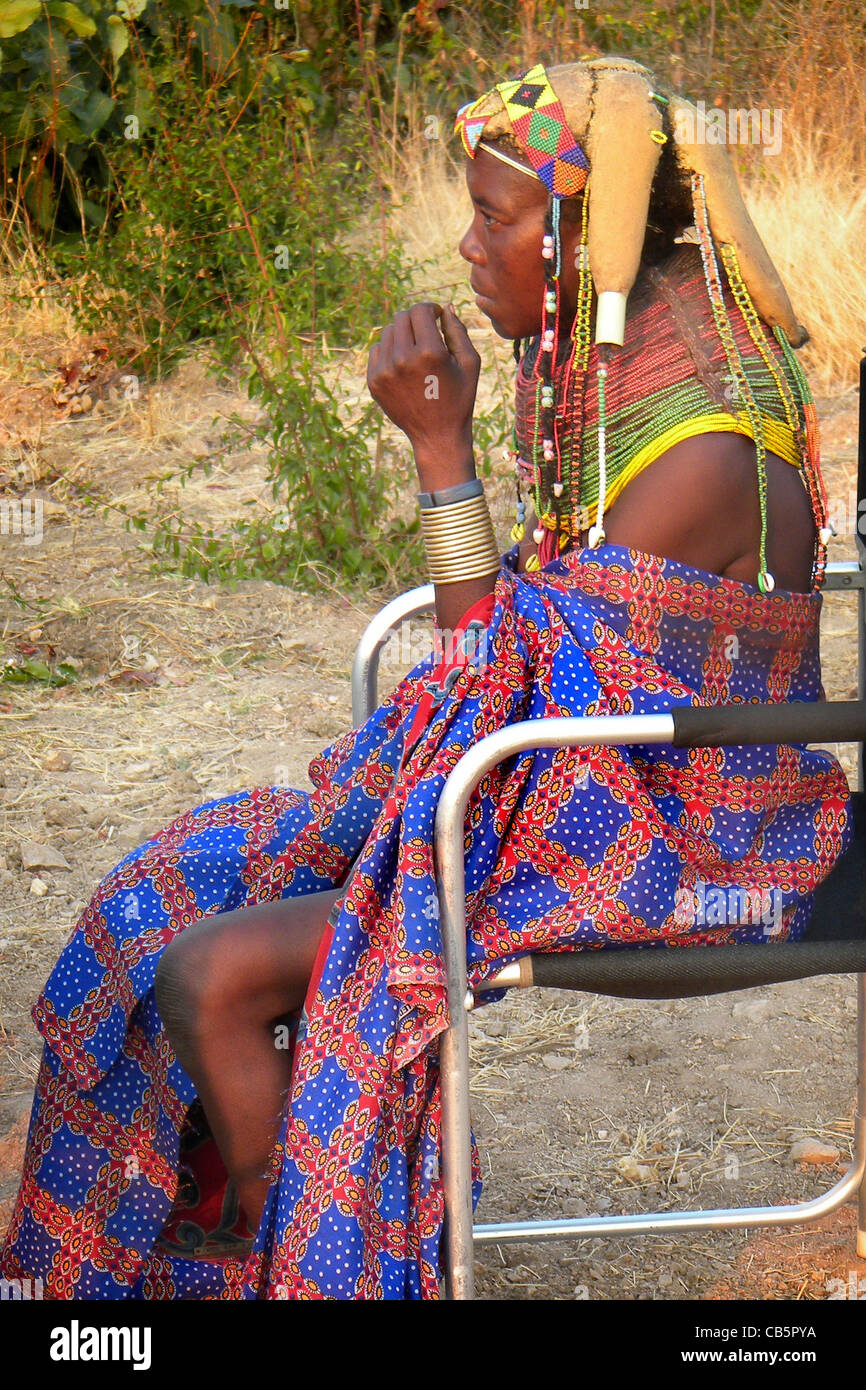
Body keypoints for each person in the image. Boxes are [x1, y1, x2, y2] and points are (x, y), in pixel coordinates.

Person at [0, 56, 852, 1301]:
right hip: (558, 784)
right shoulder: (626, 364)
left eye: (491, 218)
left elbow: (505, 687)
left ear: (569, 236)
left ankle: (269, 1236)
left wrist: (441, 457)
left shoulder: (700, 450)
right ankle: (160, 1261)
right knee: (150, 905)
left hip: (683, 838)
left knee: (212, 973)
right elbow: (520, 674)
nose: (464, 248)